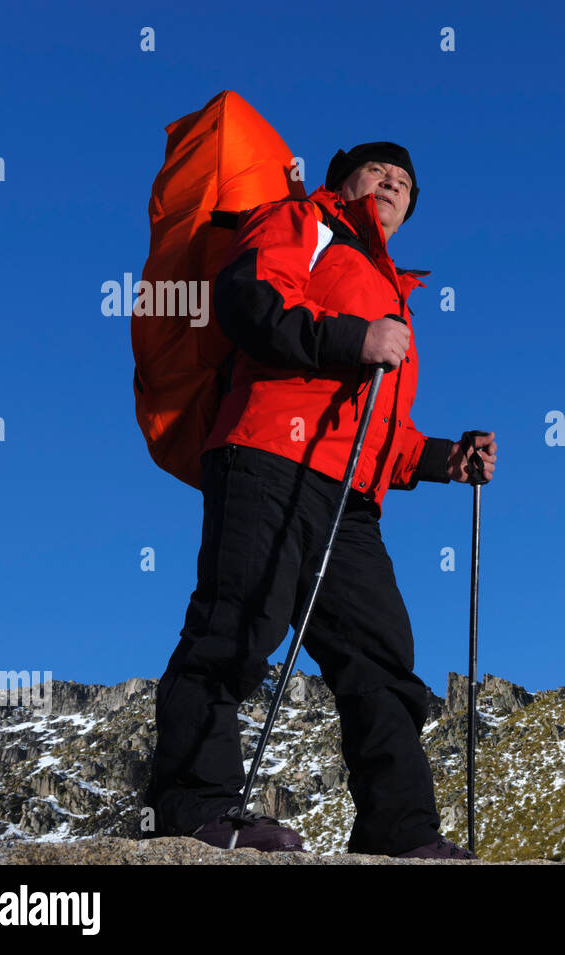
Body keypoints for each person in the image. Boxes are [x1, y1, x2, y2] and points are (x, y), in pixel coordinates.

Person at [144, 141, 495, 860]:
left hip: (348, 495)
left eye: (406, 181)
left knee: (381, 656)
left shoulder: (394, 289)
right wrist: (352, 336)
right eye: (381, 172)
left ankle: (399, 831)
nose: (394, 183)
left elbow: (378, 432)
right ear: (346, 181)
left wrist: (445, 459)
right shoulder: (304, 222)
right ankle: (195, 807)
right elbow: (249, 300)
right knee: (235, 628)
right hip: (266, 454)